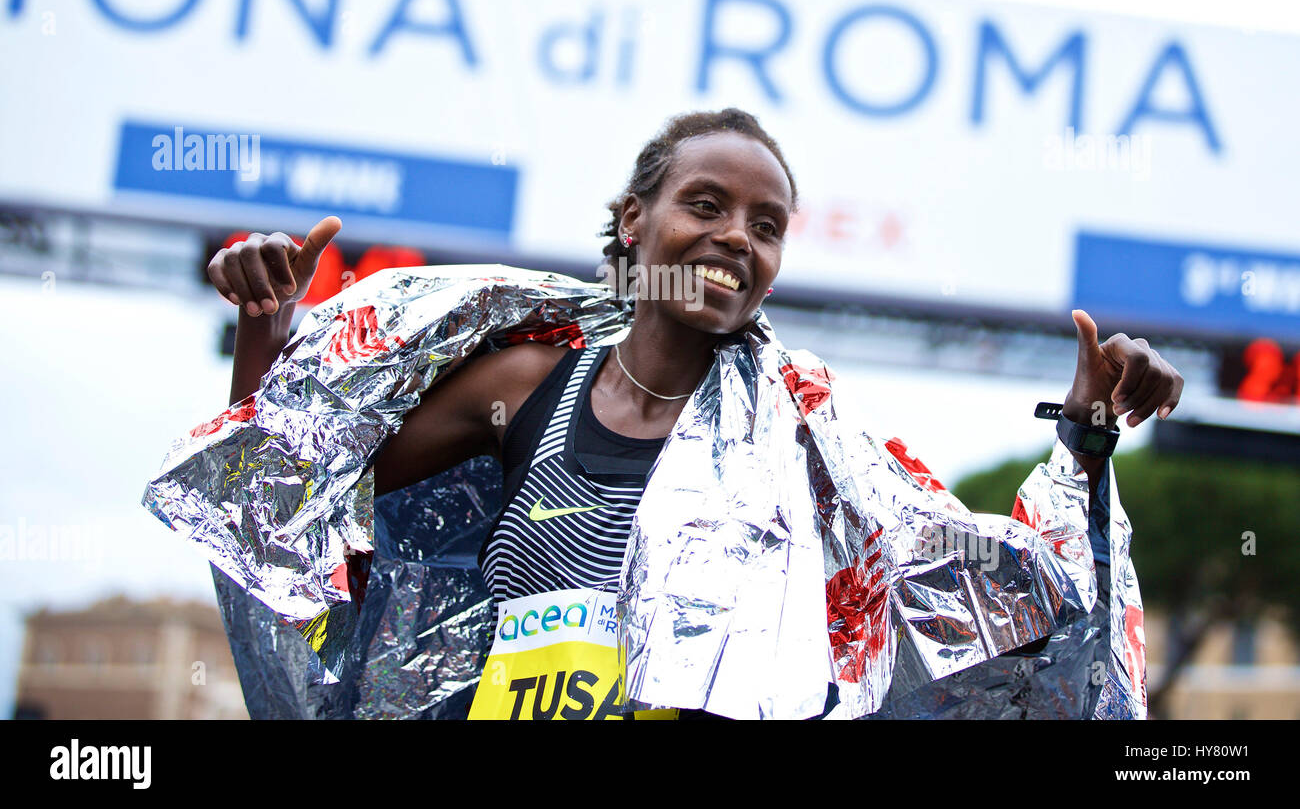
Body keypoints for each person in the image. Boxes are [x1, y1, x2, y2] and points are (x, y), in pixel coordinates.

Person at [206, 107, 1184, 717]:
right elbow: (280, 493)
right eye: (705, 203)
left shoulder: (804, 434)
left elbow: (996, 600)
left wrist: (1082, 440)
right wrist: (266, 322)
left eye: (766, 225)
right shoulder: (526, 389)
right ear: (637, 220)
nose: (734, 238)